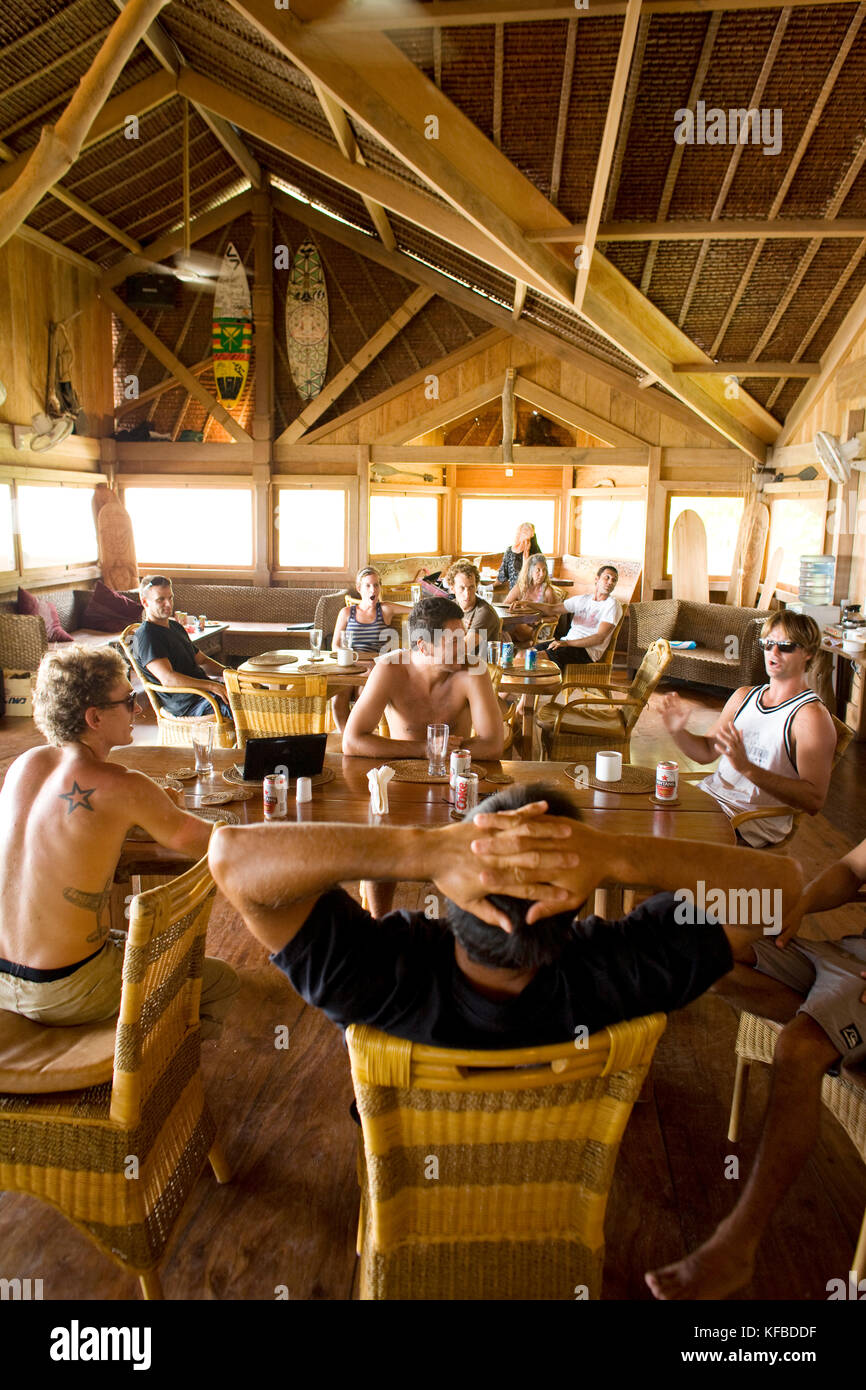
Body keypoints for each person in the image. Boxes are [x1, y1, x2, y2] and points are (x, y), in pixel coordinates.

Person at [208, 782, 799, 1053]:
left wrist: (423, 850)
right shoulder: (623, 975)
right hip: (558, 1167)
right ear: (571, 909)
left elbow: (230, 857)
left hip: (407, 1166)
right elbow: (780, 892)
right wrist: (616, 856)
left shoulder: (373, 978)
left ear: (454, 900)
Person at [646, 837, 866, 1301]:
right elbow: (850, 868)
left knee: (797, 1049)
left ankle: (737, 1244)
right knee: (710, 951)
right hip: (845, 955)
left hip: (860, 985)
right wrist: (801, 903)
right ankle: (824, 1025)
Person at [0, 645, 238, 1037]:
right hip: (64, 988)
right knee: (219, 980)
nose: (140, 709)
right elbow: (211, 844)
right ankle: (156, 1070)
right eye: (129, 701)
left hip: (6, 976)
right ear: (94, 717)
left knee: (121, 937)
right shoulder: (125, 785)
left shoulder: (24, 765)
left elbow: (67, 830)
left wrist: (143, 812)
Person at [342, 594, 505, 918]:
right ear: (423, 646)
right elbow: (352, 741)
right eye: (454, 641)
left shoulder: (473, 671)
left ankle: (471, 929)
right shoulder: (390, 669)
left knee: (483, 843)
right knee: (380, 837)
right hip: (401, 783)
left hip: (457, 783)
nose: (466, 648)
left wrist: (444, 755)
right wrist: (422, 750)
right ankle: (379, 923)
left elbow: (493, 745)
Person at [660, 612, 837, 847]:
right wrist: (677, 731)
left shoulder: (810, 717)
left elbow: (814, 800)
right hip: (708, 803)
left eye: (785, 646)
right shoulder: (744, 696)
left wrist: (747, 768)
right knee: (633, 822)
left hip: (747, 822)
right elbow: (705, 752)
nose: (773, 653)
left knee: (660, 846)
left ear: (809, 653)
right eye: (768, 644)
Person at [132, 575, 232, 719]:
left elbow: (202, 661)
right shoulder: (147, 636)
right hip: (187, 704)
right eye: (161, 599)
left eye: (170, 598)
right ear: (145, 602)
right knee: (242, 708)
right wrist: (212, 686)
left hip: (203, 694)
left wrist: (230, 674)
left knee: (258, 695)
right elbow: (168, 679)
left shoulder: (175, 626)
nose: (168, 604)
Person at [330, 566, 411, 731]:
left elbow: (417, 611)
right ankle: (347, 736)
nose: (373, 589)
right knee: (339, 697)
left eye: (376, 585)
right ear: (359, 589)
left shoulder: (385, 609)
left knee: (363, 695)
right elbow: (335, 645)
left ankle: (362, 733)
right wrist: (350, 658)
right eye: (367, 585)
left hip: (374, 665)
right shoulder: (346, 613)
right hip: (350, 664)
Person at [530, 563, 621, 671]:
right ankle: (534, 686)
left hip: (586, 651)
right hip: (567, 643)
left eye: (614, 580)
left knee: (535, 658)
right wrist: (527, 603)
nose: (610, 582)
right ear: (597, 579)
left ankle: (544, 686)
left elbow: (599, 638)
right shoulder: (583, 599)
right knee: (529, 653)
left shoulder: (612, 605)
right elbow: (552, 609)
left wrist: (566, 643)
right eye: (607, 577)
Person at [444, 558, 501, 655]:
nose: (467, 594)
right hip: (457, 663)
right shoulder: (450, 608)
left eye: (471, 587)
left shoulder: (484, 612)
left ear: (476, 586)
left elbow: (464, 648)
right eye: (462, 588)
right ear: (452, 588)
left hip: (480, 667)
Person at [503, 553, 560, 646]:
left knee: (507, 629)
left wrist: (541, 619)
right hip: (521, 626)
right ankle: (509, 652)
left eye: (544, 570)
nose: (541, 574)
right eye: (538, 570)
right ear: (530, 571)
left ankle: (510, 651)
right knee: (502, 630)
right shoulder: (521, 587)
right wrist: (516, 608)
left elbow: (555, 617)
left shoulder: (547, 591)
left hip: (538, 629)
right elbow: (505, 604)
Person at [497, 521, 544, 591]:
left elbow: (502, 577)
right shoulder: (510, 551)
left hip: (530, 594)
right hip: (518, 594)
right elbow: (502, 576)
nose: (526, 542)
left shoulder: (535, 554)